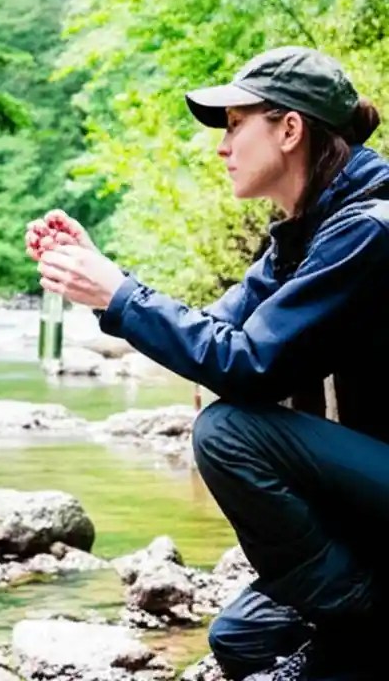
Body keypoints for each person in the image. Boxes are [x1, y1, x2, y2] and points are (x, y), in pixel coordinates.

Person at [27, 45, 389, 680]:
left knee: (227, 431)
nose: (222, 148)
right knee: (241, 638)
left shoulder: (370, 230)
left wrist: (119, 292)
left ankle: (358, 629)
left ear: (290, 129)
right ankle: (352, 627)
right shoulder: (305, 234)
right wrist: (103, 284)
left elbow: (250, 365)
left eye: (234, 126)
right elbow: (214, 330)